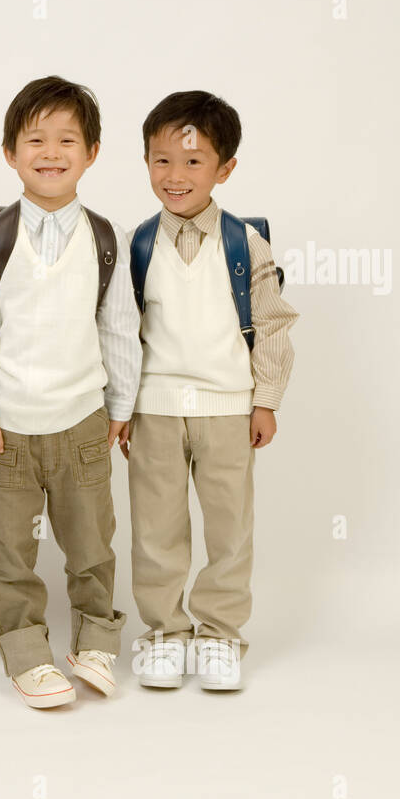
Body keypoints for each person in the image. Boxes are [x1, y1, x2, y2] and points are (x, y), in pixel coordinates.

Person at [0, 76, 141, 709]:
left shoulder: (105, 237)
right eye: (35, 139)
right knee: (10, 549)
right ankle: (27, 652)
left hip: (83, 422)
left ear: (92, 152)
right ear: (10, 151)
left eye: (68, 139)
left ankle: (95, 641)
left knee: (91, 543)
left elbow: (118, 328)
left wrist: (120, 410)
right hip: (6, 428)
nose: (51, 151)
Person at [127, 90, 299, 691]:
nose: (176, 176)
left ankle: (220, 633)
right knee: (156, 527)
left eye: (193, 161)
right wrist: (121, 408)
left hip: (228, 407)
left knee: (229, 525)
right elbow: (123, 332)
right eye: (161, 160)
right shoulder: (137, 244)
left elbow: (273, 321)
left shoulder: (244, 242)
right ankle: (164, 632)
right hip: (154, 408)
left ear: (224, 168)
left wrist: (266, 400)